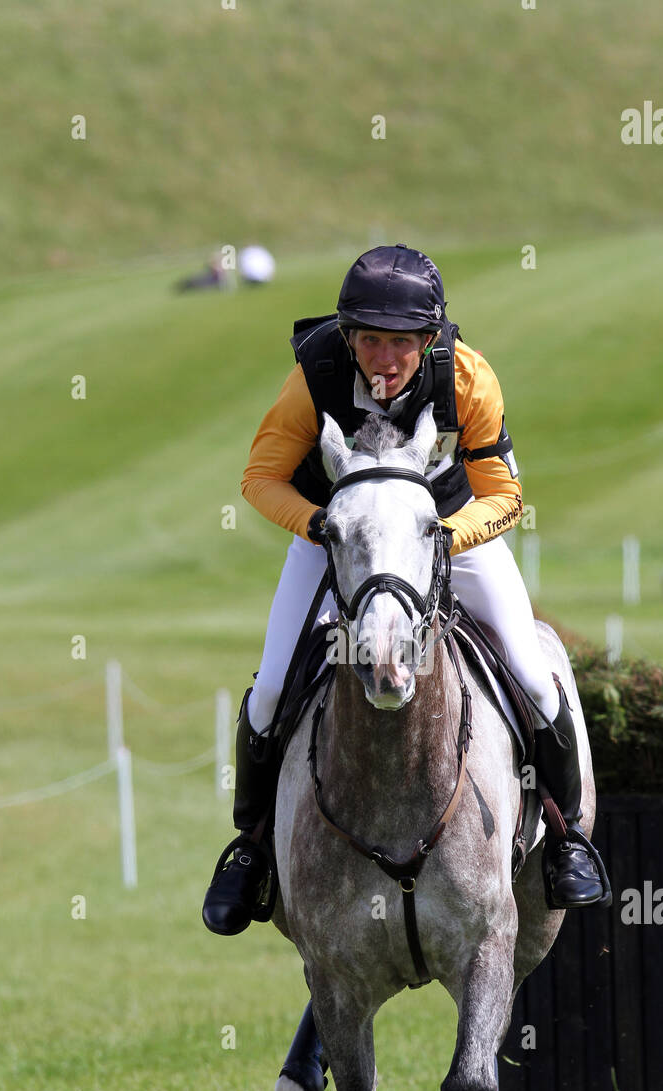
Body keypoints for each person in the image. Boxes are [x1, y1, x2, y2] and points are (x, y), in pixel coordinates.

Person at [203, 244, 607, 937]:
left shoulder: (467, 377)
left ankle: (566, 838)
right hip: (339, 533)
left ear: (428, 340)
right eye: (369, 342)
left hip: (446, 528)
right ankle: (252, 851)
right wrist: (320, 523)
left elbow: (505, 495)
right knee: (272, 687)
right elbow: (260, 478)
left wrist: (443, 537)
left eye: (400, 344)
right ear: (348, 336)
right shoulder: (316, 376)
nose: (383, 361)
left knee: (536, 678)